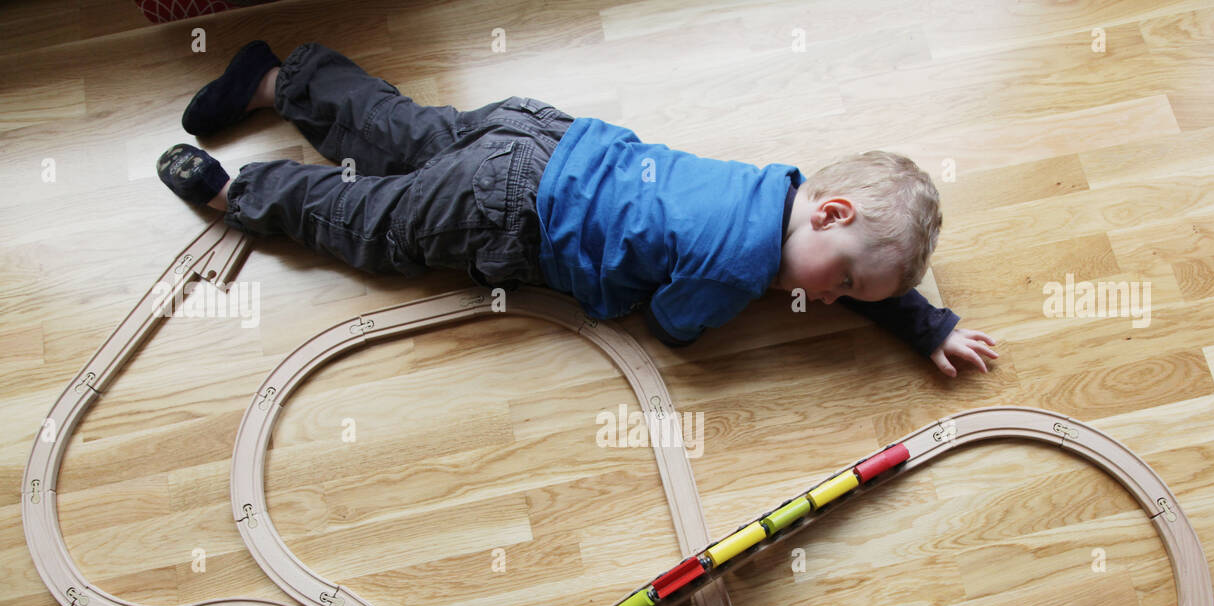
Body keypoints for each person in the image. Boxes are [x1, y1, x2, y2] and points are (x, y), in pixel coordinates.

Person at [157, 41, 998, 376]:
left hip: (541, 134)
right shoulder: (740, 267)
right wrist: (712, 318)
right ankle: (245, 194)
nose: (829, 300)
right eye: (843, 285)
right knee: (383, 227)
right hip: (511, 211)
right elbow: (676, 327)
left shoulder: (775, 186)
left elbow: (872, 255)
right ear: (828, 214)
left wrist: (920, 322)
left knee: (402, 133)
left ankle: (279, 79)